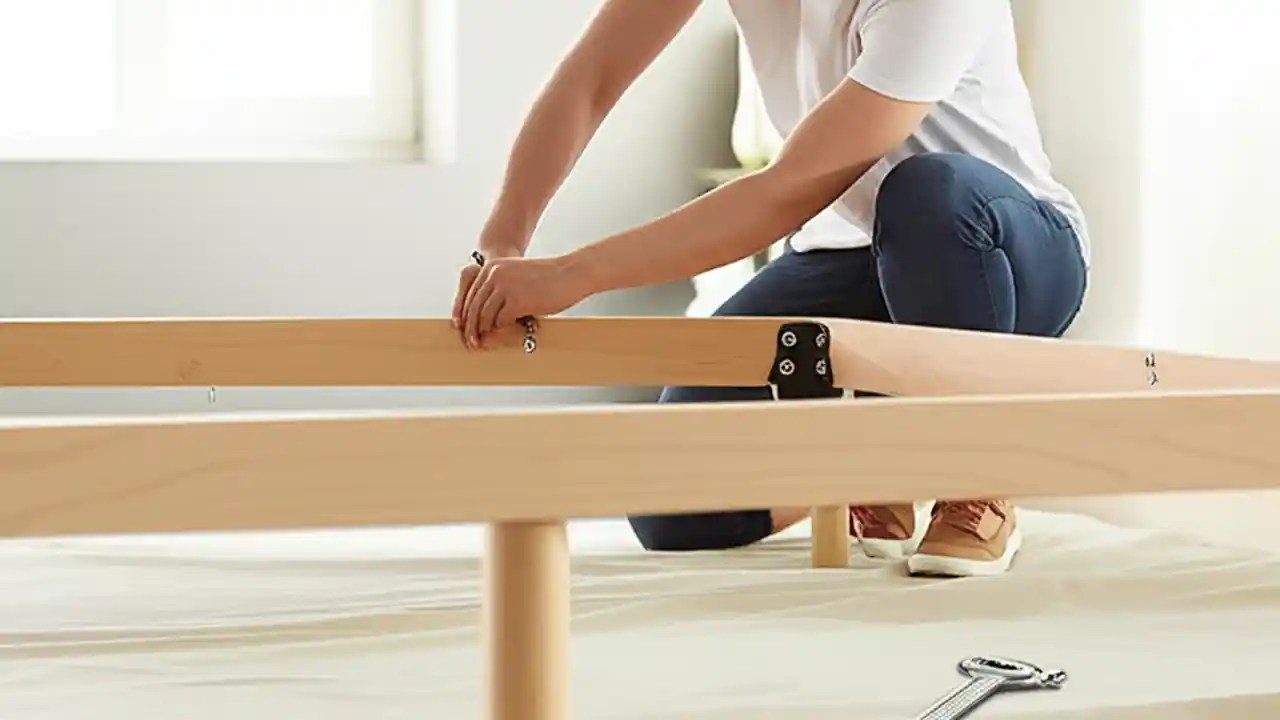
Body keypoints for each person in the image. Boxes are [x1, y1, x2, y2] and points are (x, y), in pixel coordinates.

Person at [451, 0, 1089, 577]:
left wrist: (571, 275)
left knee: (928, 191)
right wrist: (502, 242)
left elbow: (787, 191)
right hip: (852, 256)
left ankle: (977, 478)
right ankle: (877, 458)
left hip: (1003, 255)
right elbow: (589, 81)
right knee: (668, 503)